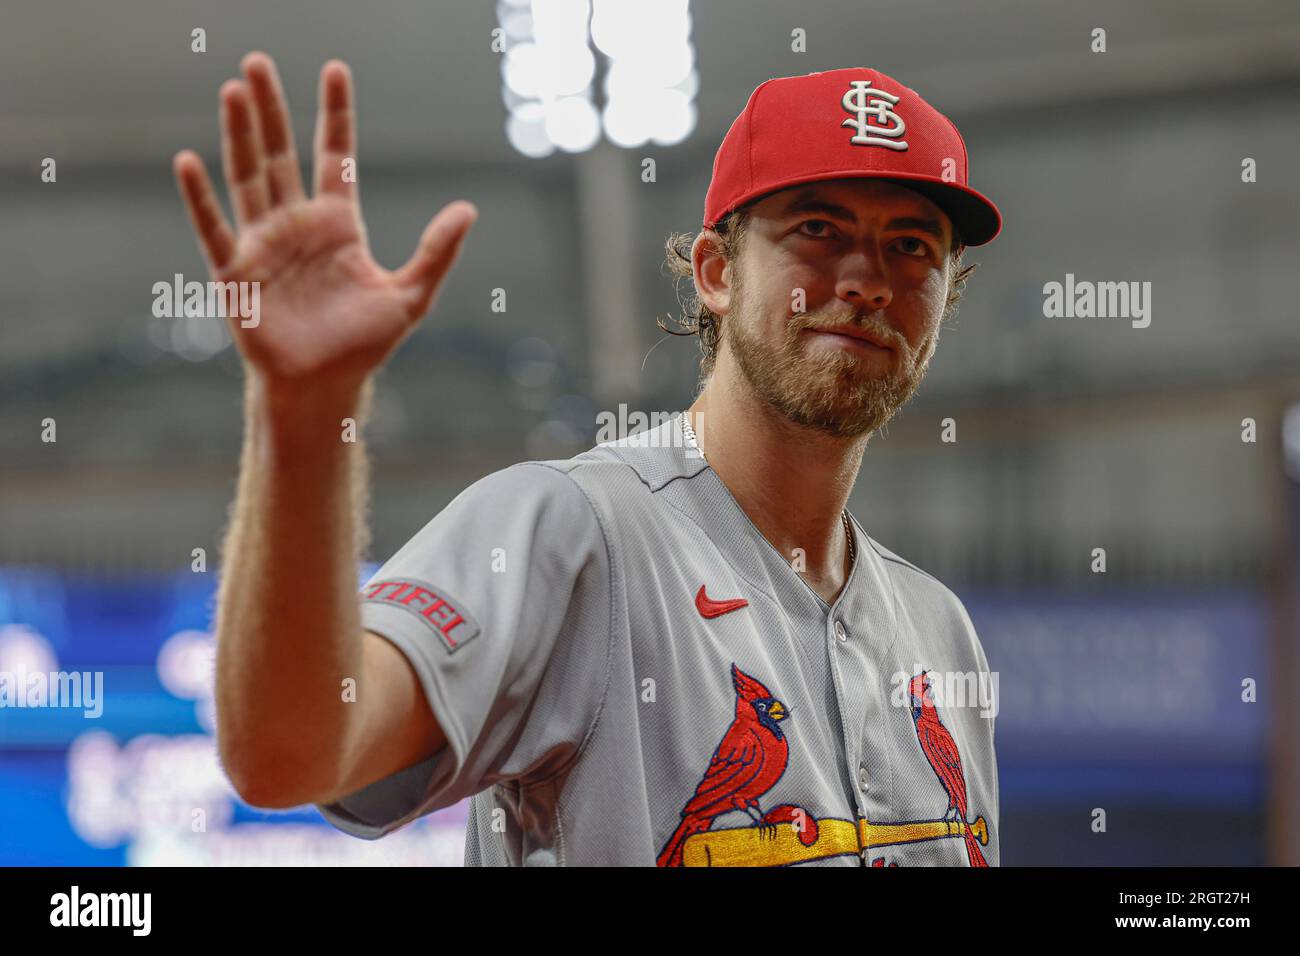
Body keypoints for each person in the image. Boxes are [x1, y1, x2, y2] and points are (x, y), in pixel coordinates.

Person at [174, 53, 1003, 866]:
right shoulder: (570, 532)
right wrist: (304, 413)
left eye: (912, 246)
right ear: (715, 272)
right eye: (818, 230)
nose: (867, 279)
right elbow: (289, 755)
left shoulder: (940, 630)